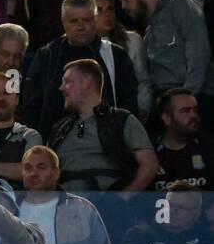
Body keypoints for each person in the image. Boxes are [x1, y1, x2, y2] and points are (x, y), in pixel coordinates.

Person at [22, 0, 140, 137]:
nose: (81, 26)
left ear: (95, 19)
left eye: (87, 20)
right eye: (74, 21)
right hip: (55, 142)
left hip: (106, 142)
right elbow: (32, 105)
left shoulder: (116, 54)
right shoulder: (47, 55)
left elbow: (129, 102)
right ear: (63, 21)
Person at [45, 59, 159, 193]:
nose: (61, 87)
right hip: (65, 206)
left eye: (68, 81)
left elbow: (150, 165)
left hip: (107, 204)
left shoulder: (121, 120)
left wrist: (121, 199)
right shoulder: (59, 128)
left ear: (86, 82)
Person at [114, 0, 214, 111]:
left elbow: (199, 54)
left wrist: (186, 99)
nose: (123, 6)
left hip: (198, 100)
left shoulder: (179, 5)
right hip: (168, 105)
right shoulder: (149, 36)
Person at [154, 88, 214, 189]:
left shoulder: (208, 147)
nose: (193, 115)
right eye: (185, 111)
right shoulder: (150, 154)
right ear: (167, 118)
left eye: (195, 110)